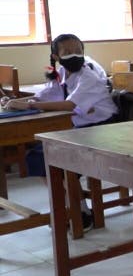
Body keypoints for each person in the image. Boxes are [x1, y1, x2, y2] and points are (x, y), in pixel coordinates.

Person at [4, 33, 119, 231]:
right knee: (41, 154)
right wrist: (13, 103)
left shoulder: (88, 75)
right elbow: (43, 97)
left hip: (103, 130)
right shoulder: (61, 75)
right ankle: (73, 208)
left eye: (78, 51)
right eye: (67, 52)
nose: (74, 55)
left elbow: (69, 104)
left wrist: (27, 105)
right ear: (56, 56)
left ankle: (80, 213)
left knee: (59, 157)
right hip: (79, 128)